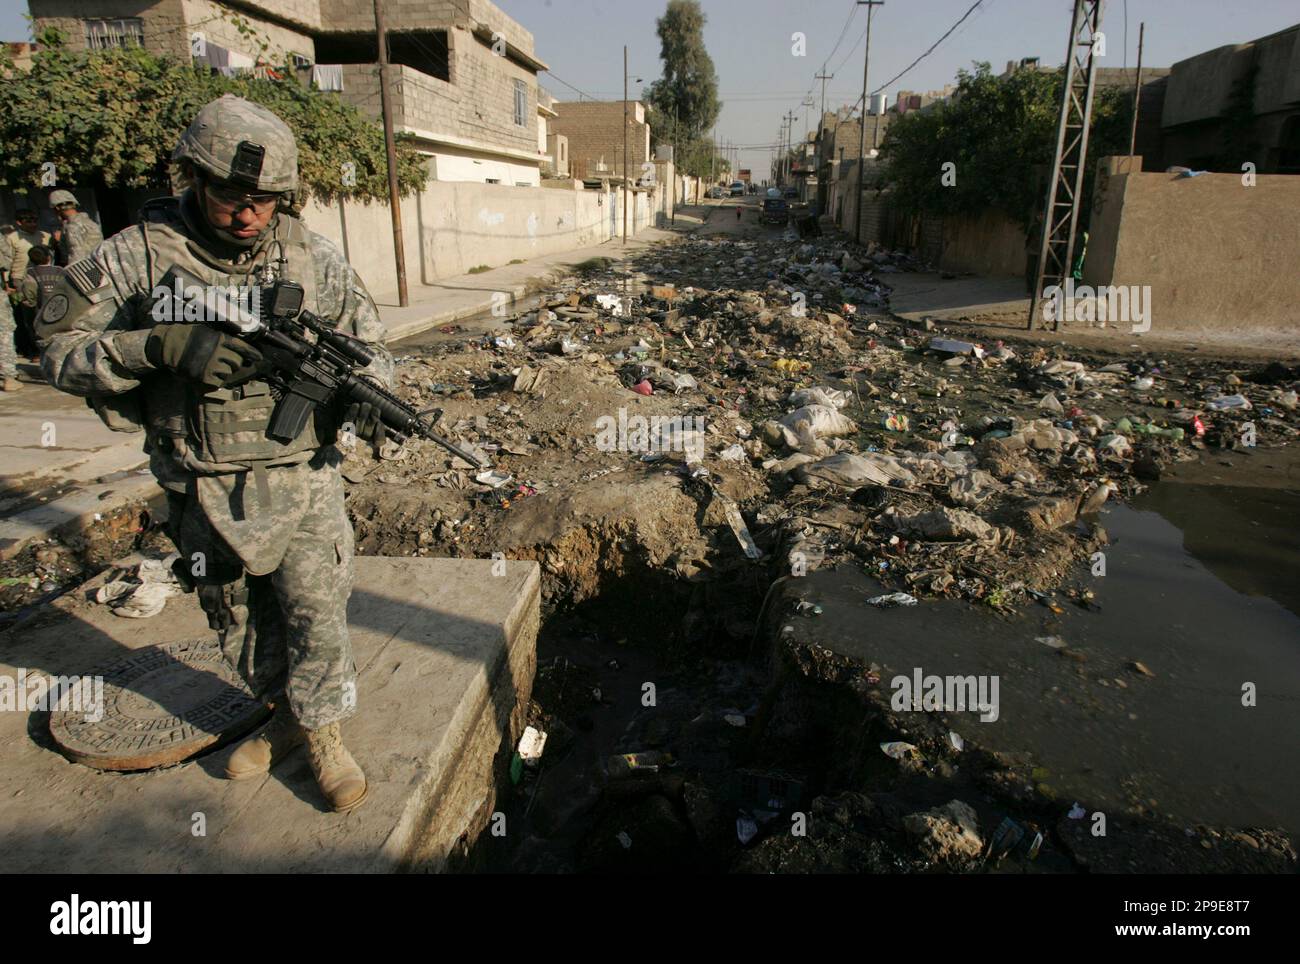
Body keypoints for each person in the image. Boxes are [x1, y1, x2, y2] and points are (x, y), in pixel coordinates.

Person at [36, 94, 394, 813]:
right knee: (234, 615)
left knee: (315, 609)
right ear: (194, 179)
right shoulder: (135, 256)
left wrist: (365, 394)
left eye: (266, 199)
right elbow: (55, 348)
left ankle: (323, 735)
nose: (249, 213)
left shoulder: (311, 256)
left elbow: (373, 348)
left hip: (301, 477)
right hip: (198, 480)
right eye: (232, 192)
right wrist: (157, 346)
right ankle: (282, 714)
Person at [18, 245, 60, 359]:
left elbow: (29, 293)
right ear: (49, 257)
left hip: (40, 311)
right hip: (60, 310)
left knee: (38, 333)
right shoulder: (60, 271)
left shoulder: (31, 273)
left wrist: (29, 307)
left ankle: (38, 355)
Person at [48, 189, 103, 267]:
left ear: (57, 208)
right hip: (99, 266)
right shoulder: (90, 222)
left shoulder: (72, 227)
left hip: (86, 271)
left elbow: (76, 257)